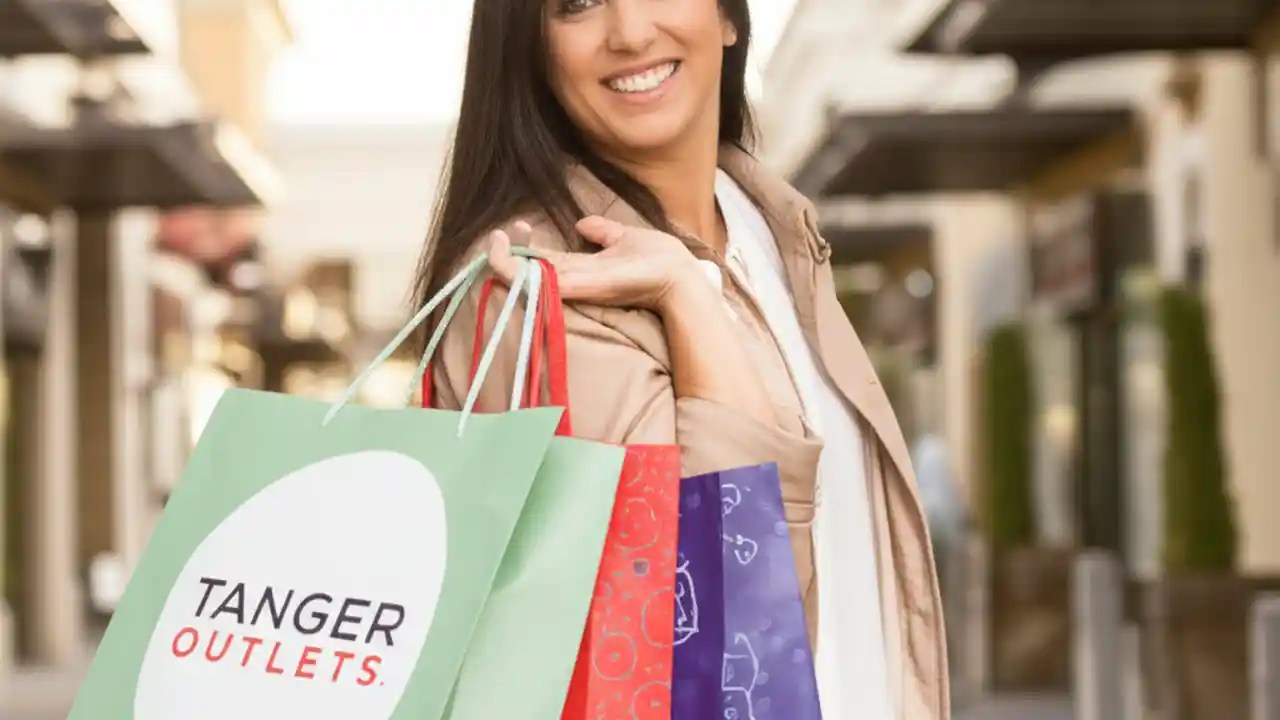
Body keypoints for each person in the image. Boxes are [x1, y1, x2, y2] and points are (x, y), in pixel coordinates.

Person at [413, 1, 947, 717]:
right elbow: (712, 618)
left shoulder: (771, 230)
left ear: (728, 18)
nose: (630, 32)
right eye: (576, 4)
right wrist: (684, 296)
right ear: (530, 50)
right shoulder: (530, 283)